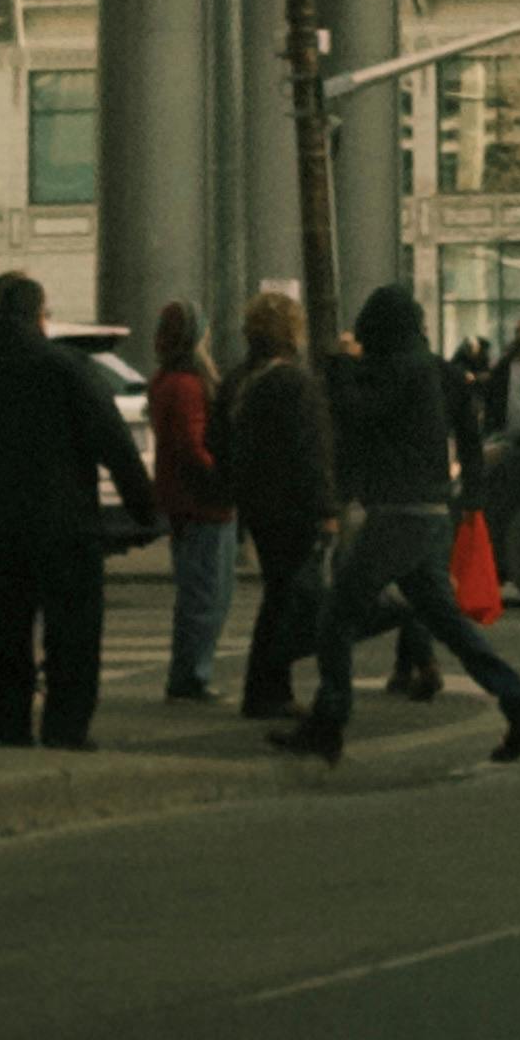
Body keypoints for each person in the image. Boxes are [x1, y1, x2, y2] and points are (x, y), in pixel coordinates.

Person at [274, 286, 520, 770]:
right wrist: (472, 497)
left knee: (336, 617)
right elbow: (464, 435)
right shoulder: (432, 370)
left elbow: (358, 413)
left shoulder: (400, 371)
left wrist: (339, 366)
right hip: (430, 514)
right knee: (450, 626)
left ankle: (328, 722)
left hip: (398, 515)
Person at [0, 274, 157, 751]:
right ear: (39, 314)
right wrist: (143, 504)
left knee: (9, 629)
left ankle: (12, 728)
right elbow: (112, 441)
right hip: (64, 520)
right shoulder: (66, 367)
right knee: (73, 632)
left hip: (1, 521)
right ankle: (65, 727)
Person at [216, 289, 334, 722]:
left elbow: (218, 442)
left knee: (278, 594)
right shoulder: (295, 382)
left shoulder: (237, 381)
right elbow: (312, 450)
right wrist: (327, 507)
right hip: (293, 505)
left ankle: (267, 688)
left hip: (257, 505)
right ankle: (269, 689)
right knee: (288, 598)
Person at [147, 300, 236, 703]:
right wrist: (223, 478)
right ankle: (192, 676)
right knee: (208, 594)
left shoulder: (166, 380)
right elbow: (192, 445)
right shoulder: (189, 384)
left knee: (197, 591)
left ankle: (189, 672)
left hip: (184, 500)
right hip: (204, 502)